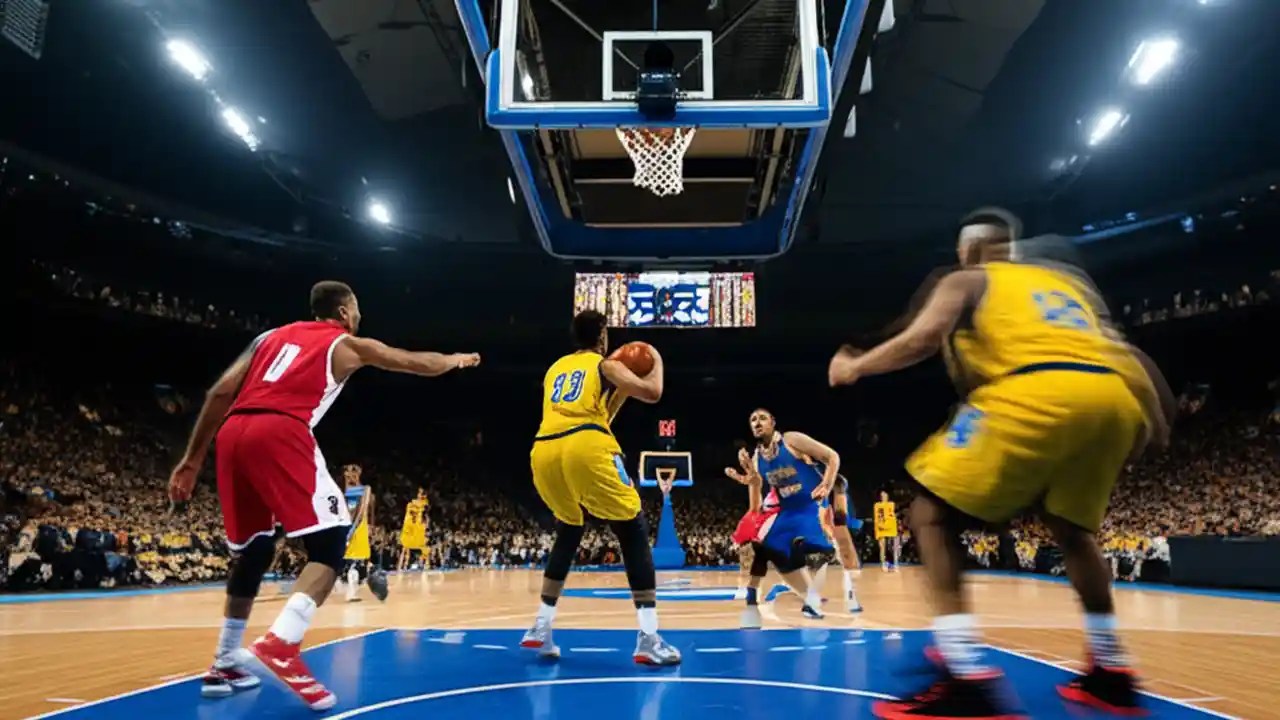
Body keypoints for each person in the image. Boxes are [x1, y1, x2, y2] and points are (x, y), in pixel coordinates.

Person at [829, 209, 1173, 719]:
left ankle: (964, 676)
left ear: (969, 250)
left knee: (930, 516)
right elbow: (1130, 354)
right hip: (1113, 397)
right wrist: (1158, 415)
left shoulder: (969, 277)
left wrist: (856, 365)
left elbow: (923, 338)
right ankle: (1111, 670)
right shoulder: (1063, 286)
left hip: (1035, 388)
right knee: (1073, 532)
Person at [167, 280, 480, 711]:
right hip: (281, 428)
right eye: (358, 308)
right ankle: (282, 643)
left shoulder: (267, 339)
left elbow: (220, 392)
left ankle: (224, 661)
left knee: (254, 552)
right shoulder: (344, 343)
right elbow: (409, 361)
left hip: (233, 433)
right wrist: (455, 360)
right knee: (331, 544)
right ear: (346, 310)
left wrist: (191, 459)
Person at [520, 310, 681, 665]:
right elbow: (653, 393)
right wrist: (656, 359)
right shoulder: (604, 364)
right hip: (585, 446)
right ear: (602, 335)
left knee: (569, 530)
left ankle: (541, 626)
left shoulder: (555, 369)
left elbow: (597, 414)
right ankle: (649, 637)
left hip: (544, 450)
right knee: (633, 528)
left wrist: (619, 393)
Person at [726, 409, 841, 626]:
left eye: (762, 418)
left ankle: (820, 575)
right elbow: (755, 507)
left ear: (773, 423)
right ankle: (810, 598)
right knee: (771, 548)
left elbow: (832, 457)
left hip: (812, 505)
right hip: (788, 512)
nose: (757, 422)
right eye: (752, 420)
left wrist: (827, 484)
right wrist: (750, 480)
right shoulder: (758, 458)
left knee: (814, 549)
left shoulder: (791, 440)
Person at [398, 488, 429, 571]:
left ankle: (424, 565)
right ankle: (401, 567)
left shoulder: (424, 503)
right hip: (409, 527)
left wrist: (425, 525)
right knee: (404, 548)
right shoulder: (411, 504)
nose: (422, 495)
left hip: (418, 527)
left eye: (422, 493)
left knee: (423, 547)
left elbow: (425, 515)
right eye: (420, 493)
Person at [873, 491, 901, 571]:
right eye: (882, 495)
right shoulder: (877, 506)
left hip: (891, 528)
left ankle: (894, 564)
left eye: (885, 495)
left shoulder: (891, 504)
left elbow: (893, 515)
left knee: (893, 547)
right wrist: (878, 529)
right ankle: (883, 564)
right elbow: (877, 518)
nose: (884, 497)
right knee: (882, 547)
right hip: (881, 529)